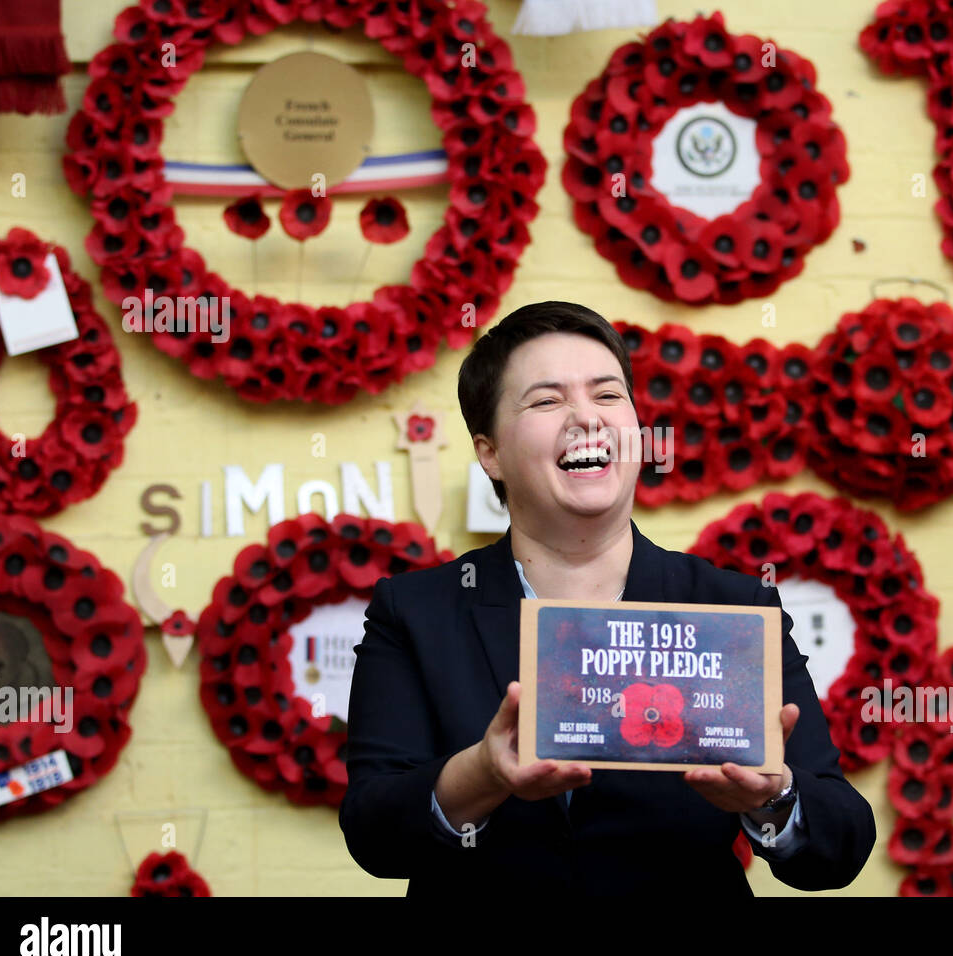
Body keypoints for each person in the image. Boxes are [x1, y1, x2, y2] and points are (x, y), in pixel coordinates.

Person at [339, 300, 876, 896]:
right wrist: (483, 774)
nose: (586, 418)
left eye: (608, 395)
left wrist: (774, 800)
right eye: (547, 400)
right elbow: (373, 833)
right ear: (489, 452)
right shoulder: (416, 612)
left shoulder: (733, 608)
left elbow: (840, 846)